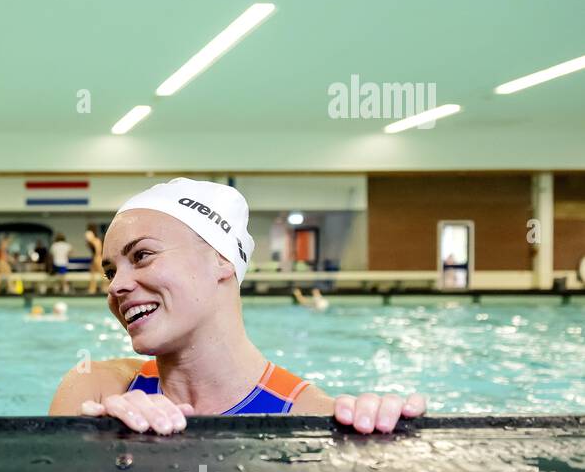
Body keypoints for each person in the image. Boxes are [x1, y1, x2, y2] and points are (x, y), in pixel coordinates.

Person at [48, 178, 425, 435]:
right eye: (110, 271)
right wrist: (97, 444)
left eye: (143, 255)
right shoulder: (92, 390)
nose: (117, 286)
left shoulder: (313, 417)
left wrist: (378, 432)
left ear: (222, 261)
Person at [85, 224, 103, 293]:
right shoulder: (91, 242)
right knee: (92, 275)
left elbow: (98, 252)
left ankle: (105, 288)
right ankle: (92, 288)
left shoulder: (96, 241)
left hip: (98, 258)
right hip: (94, 258)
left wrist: (96, 260)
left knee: (102, 275)